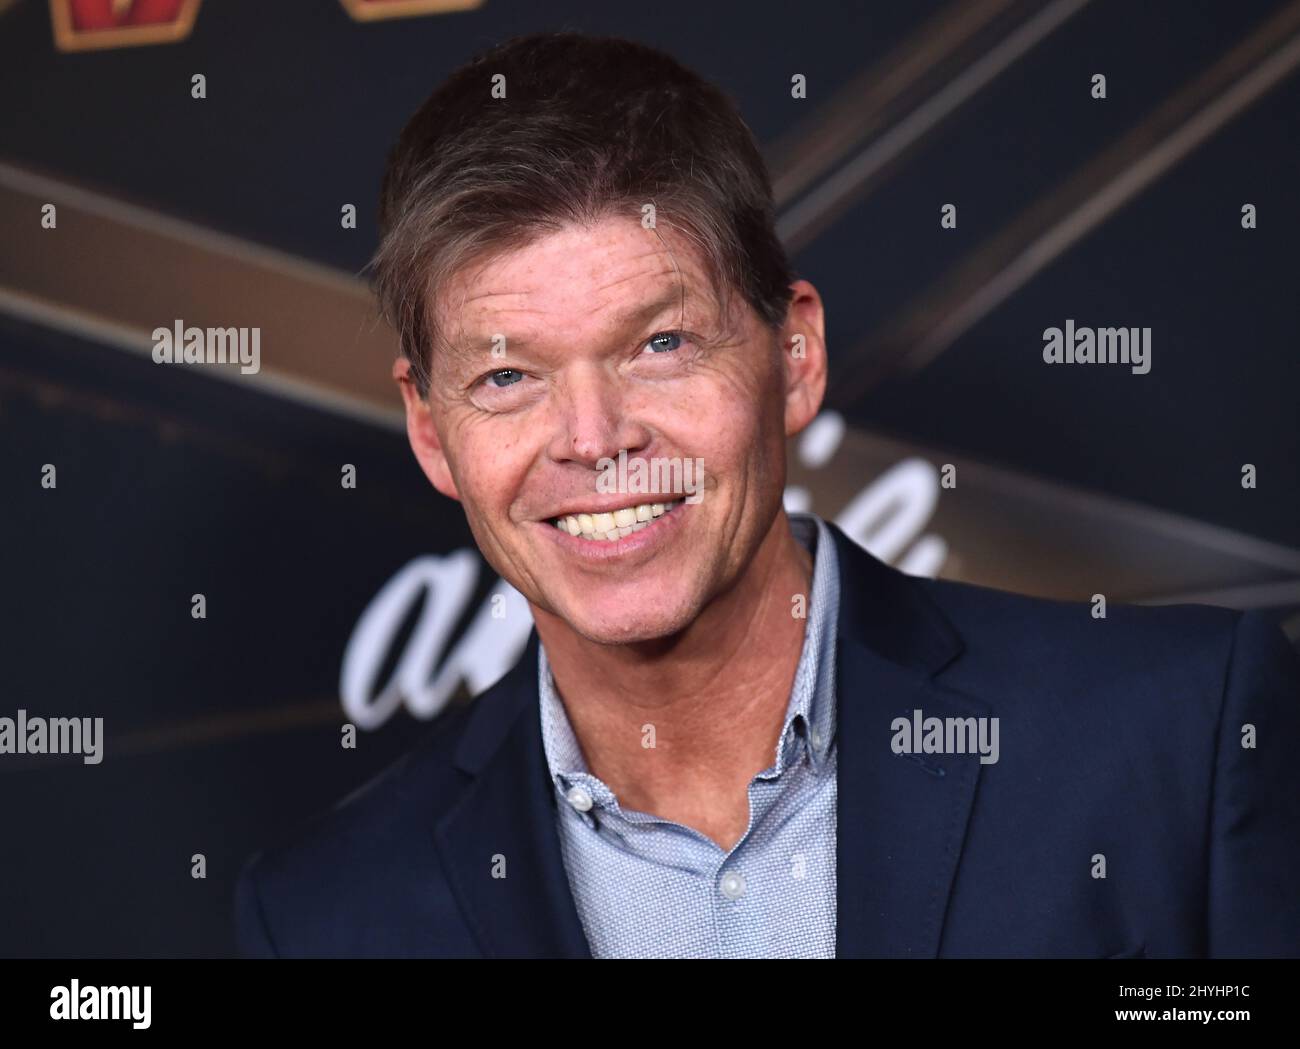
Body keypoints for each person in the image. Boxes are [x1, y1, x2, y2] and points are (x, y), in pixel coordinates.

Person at [234, 30, 1300, 958]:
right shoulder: (330, 915)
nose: (596, 440)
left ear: (794, 356)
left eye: (660, 343)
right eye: (508, 376)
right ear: (431, 427)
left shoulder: (1173, 736)